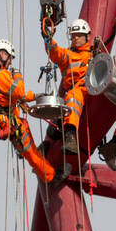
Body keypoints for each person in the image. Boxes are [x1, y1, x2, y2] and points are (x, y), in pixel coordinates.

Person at [0, 39, 65, 187]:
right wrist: (17, 75)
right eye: (10, 59)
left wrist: (35, 96)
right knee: (30, 151)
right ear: (3, 54)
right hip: (3, 122)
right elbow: (18, 91)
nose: (10, 63)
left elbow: (11, 95)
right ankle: (52, 177)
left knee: (25, 135)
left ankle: (27, 152)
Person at [41, 14, 92, 156]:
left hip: (92, 93)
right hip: (76, 93)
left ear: (87, 36)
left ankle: (114, 143)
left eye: (79, 35)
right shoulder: (68, 55)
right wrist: (48, 38)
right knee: (73, 96)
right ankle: (68, 138)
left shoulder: (94, 55)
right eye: (74, 36)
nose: (76, 38)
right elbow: (55, 53)